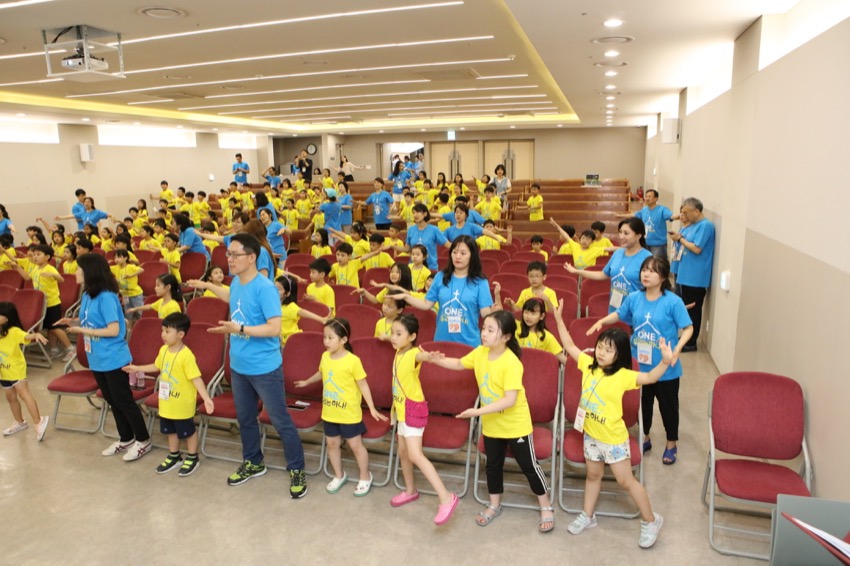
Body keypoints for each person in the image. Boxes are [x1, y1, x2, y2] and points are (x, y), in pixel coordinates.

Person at [552, 302, 673, 548]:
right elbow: (569, 345)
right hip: (591, 435)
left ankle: (651, 520)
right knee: (593, 476)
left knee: (626, 481)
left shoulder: (623, 376)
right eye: (600, 347)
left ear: (620, 355)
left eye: (608, 350)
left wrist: (665, 361)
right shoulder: (587, 364)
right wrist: (558, 319)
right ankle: (588, 516)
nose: (600, 352)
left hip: (613, 439)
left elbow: (649, 378)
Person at [426, 311, 555, 532]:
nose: (484, 334)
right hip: (492, 424)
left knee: (529, 466)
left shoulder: (511, 363)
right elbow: (458, 363)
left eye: (490, 330)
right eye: (484, 328)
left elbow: (509, 400)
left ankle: (546, 507)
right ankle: (494, 504)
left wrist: (476, 412)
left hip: (515, 425)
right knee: (493, 465)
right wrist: (435, 359)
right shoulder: (480, 352)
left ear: (505, 337)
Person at [203, 234, 307, 495]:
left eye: (235, 254)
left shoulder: (266, 288)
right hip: (239, 366)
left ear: (251, 257)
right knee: (246, 418)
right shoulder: (237, 282)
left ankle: (297, 468)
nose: (229, 259)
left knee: (280, 420)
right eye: (228, 254)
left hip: (265, 368)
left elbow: (274, 328)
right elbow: (231, 298)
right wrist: (206, 285)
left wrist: (237, 328)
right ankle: (253, 461)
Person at [588, 255, 693, 465]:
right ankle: (644, 437)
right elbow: (619, 314)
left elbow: (688, 327)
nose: (646, 273)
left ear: (663, 276)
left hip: (665, 368)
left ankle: (671, 443)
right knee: (642, 406)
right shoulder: (635, 297)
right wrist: (602, 320)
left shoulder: (673, 301)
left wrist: (678, 348)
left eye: (652, 270)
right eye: (644, 269)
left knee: (668, 407)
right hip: (638, 366)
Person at [59, 253, 151, 460]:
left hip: (113, 357)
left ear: (90, 271)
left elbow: (112, 330)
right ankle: (125, 437)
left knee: (123, 399)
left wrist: (82, 332)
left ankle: (143, 440)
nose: (75, 271)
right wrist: (72, 323)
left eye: (79, 268)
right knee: (110, 399)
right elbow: (92, 323)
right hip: (97, 357)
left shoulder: (107, 297)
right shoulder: (87, 295)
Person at [294, 318, 387, 495]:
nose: (326, 342)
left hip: (348, 414)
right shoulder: (324, 357)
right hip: (330, 412)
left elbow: (363, 385)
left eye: (331, 338)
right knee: (332, 444)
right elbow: (322, 373)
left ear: (344, 340)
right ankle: (339, 475)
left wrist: (372, 408)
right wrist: (307, 381)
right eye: (324, 337)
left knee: (355, 446)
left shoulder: (353, 361)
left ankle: (365, 476)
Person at [122, 312, 215, 476]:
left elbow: (197, 379)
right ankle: (174, 456)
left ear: (180, 334)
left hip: (182, 404)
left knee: (187, 431)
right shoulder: (163, 350)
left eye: (167, 331)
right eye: (162, 330)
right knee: (170, 430)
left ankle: (193, 457)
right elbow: (156, 366)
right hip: (166, 401)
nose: (163, 335)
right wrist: (137, 368)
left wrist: (206, 398)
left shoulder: (186, 356)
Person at [387, 314, 459, 525]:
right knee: (403, 452)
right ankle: (410, 491)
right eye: (392, 333)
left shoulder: (413, 353)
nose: (393, 337)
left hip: (412, 410)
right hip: (401, 411)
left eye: (399, 334)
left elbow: (422, 357)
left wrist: (430, 357)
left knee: (415, 455)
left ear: (412, 336)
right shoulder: (399, 351)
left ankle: (446, 497)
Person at [393, 235, 495, 347]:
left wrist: (494, 311)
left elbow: (485, 312)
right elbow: (427, 304)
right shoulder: (440, 276)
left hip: (469, 343)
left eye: (463, 253)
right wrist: (405, 297)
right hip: (442, 340)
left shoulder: (480, 282)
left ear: (472, 256)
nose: (457, 256)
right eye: (454, 252)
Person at [565, 217, 652, 314]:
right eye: (620, 232)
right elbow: (603, 274)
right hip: (615, 311)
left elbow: (652, 288)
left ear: (638, 235)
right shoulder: (618, 253)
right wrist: (577, 271)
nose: (621, 236)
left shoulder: (647, 258)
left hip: (636, 312)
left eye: (626, 233)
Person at [13, 244, 75, 361]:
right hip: (41, 304)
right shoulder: (36, 268)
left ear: (47, 257)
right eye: (34, 254)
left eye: (38, 254)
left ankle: (71, 348)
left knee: (55, 328)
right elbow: (27, 277)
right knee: (48, 328)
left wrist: (53, 275)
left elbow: (61, 280)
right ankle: (54, 349)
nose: (34, 257)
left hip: (52, 303)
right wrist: (16, 267)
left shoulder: (50, 268)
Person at [670, 197, 715, 352]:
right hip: (686, 273)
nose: (684, 216)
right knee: (686, 308)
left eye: (687, 212)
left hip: (696, 276)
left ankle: (690, 342)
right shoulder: (694, 225)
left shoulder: (705, 226)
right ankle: (686, 338)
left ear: (697, 211)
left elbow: (696, 248)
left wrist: (680, 239)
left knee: (693, 310)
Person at [0, 302, 50, 440]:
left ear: (7, 318)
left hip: (16, 368)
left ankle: (39, 422)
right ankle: (20, 422)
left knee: (24, 394)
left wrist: (36, 335)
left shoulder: (14, 331)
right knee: (10, 398)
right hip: (4, 371)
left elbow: (27, 336)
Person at [273, 275, 328, 345]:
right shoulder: (270, 305)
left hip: (291, 342)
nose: (274, 290)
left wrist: (321, 319)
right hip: (277, 341)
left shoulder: (290, 307)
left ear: (287, 293)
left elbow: (303, 312)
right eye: (274, 287)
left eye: (279, 289)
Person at [404, 203, 449, 272]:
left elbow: (448, 244)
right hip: (413, 267)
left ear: (425, 214)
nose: (415, 215)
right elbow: (407, 249)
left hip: (430, 267)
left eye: (418, 212)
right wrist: (392, 246)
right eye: (413, 213)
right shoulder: (411, 230)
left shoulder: (434, 230)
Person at [629, 189, 673, 257]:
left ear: (655, 198)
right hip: (645, 243)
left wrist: (679, 217)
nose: (647, 198)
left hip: (658, 244)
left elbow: (670, 217)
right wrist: (620, 215)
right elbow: (634, 215)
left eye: (649, 196)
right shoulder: (644, 210)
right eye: (646, 196)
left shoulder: (662, 209)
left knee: (657, 265)